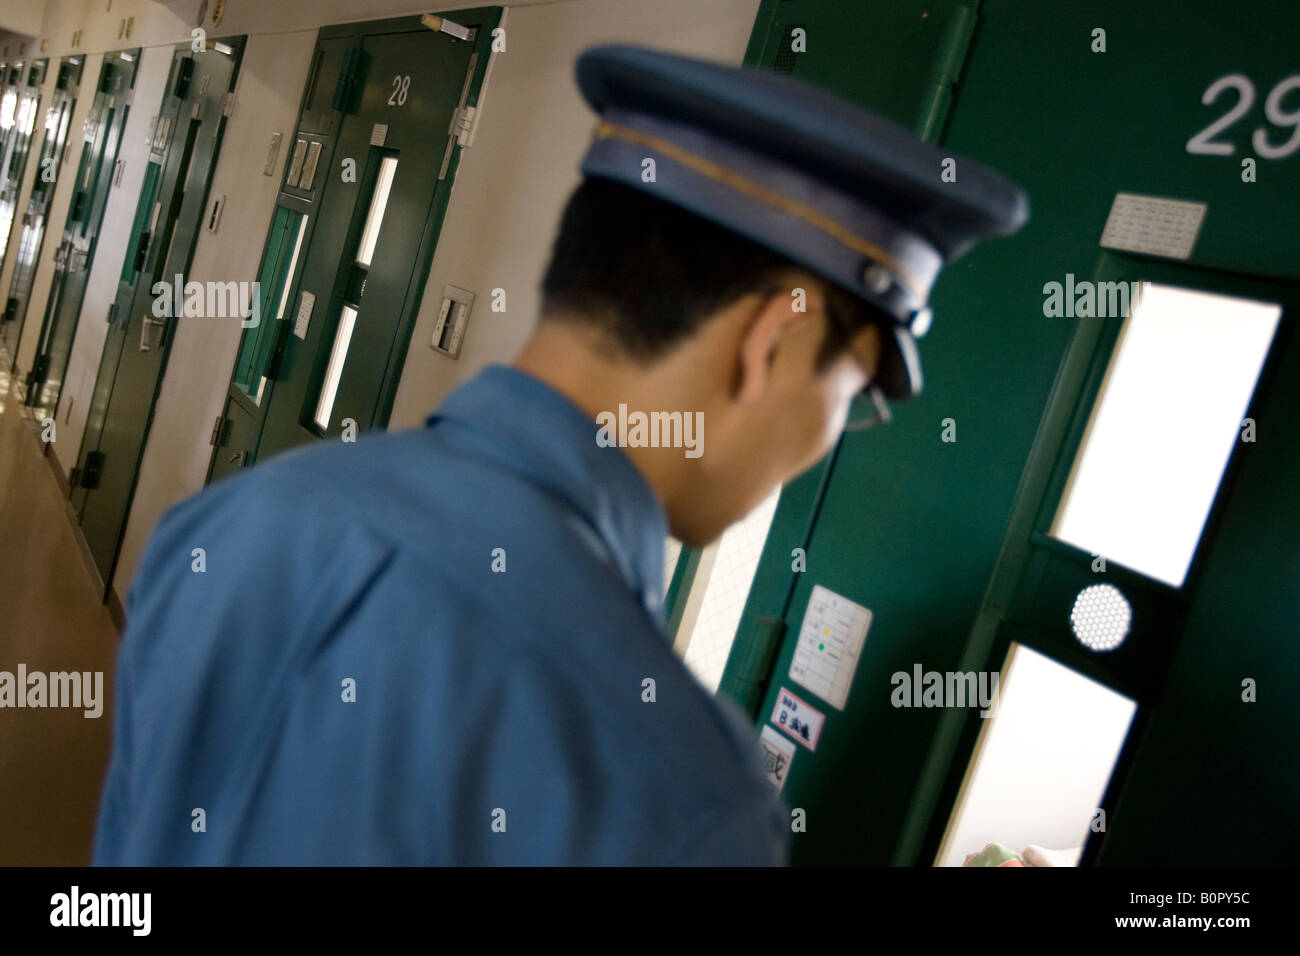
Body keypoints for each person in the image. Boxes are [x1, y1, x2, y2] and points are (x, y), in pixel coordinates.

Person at [92, 44, 1026, 865]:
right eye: (854, 396)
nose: (828, 440)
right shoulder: (682, 789)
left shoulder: (225, 524)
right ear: (770, 343)